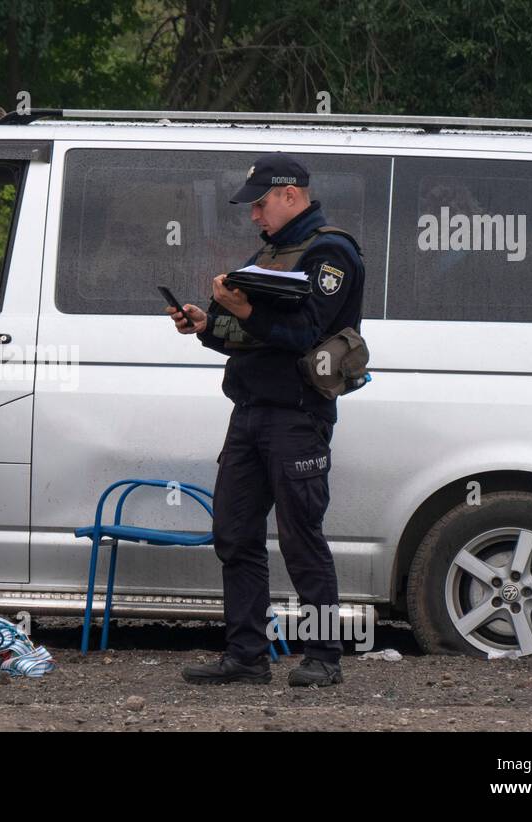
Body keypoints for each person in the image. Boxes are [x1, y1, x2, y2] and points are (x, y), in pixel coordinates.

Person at [168, 153, 364, 687]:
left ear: (291, 195)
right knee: (233, 533)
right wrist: (207, 325)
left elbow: (305, 333)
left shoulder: (331, 252)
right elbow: (249, 334)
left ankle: (324, 657)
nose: (254, 215)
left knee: (302, 538)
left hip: (298, 415)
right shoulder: (273, 252)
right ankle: (246, 656)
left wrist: (246, 309)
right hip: (250, 412)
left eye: (260, 203)